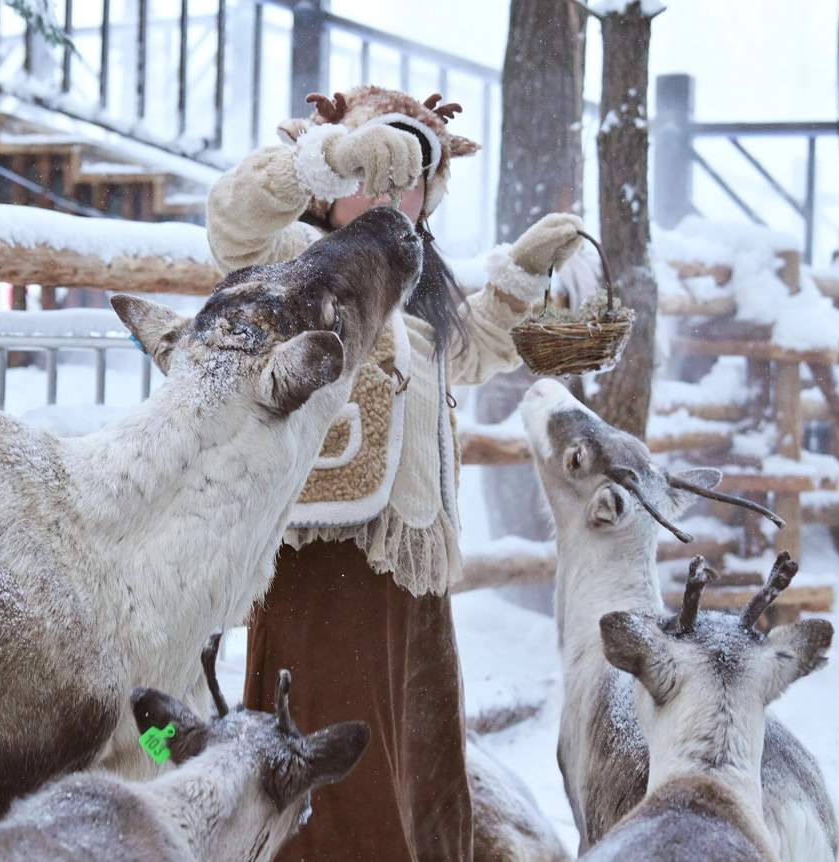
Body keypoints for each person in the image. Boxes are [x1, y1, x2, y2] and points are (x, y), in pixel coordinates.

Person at [205, 85, 583, 862]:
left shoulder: (422, 276)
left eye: (409, 175)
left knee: (419, 737)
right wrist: (323, 160)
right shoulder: (290, 259)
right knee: (328, 733)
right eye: (375, 169)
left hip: (412, 551)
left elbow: (473, 353)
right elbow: (232, 222)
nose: (390, 191)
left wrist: (521, 271)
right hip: (322, 553)